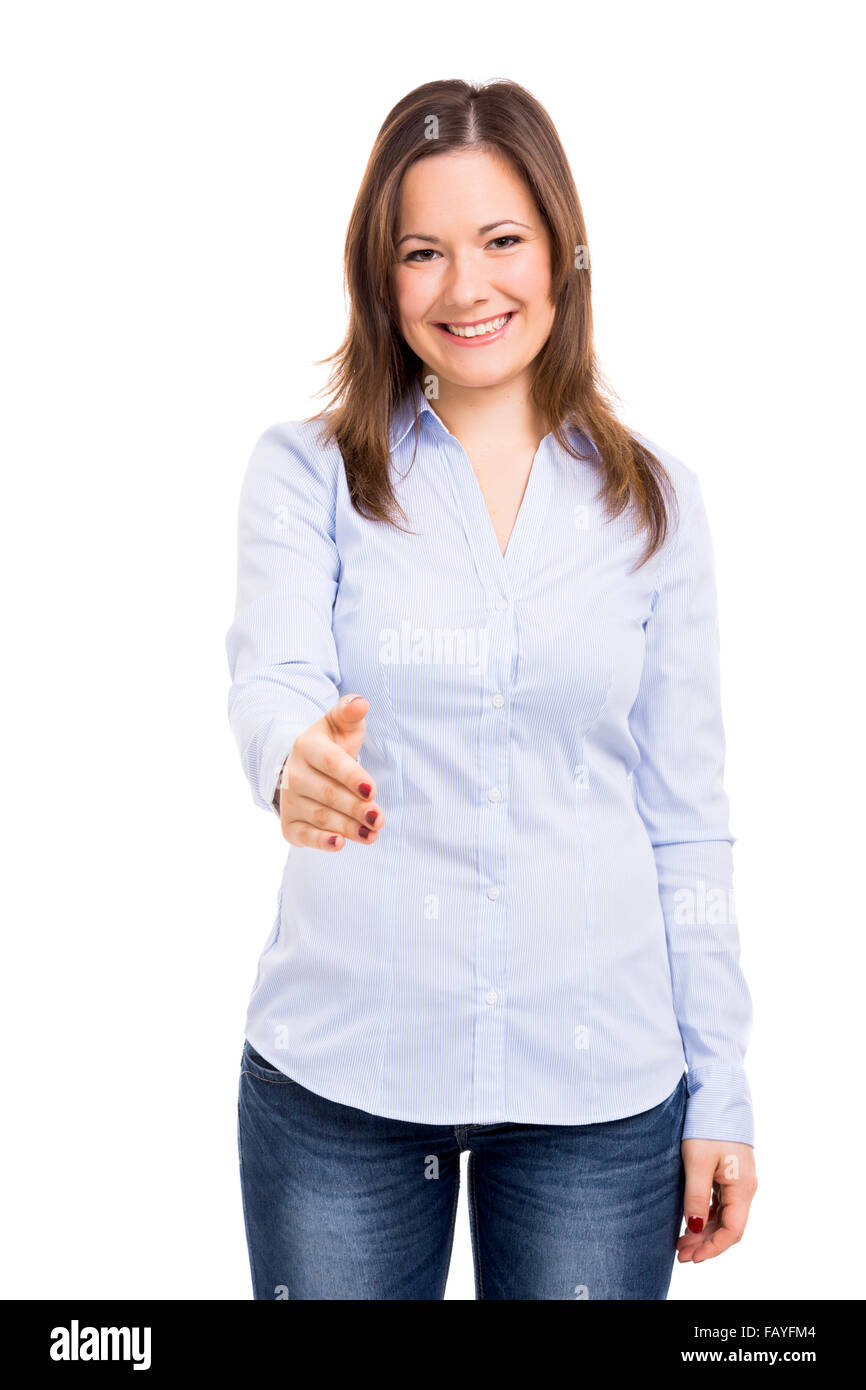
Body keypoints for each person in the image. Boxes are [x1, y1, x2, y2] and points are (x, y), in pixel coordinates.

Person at [226, 77, 757, 1301]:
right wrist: (292, 758)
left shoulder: (654, 505)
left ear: (562, 254)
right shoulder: (303, 475)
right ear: (379, 275)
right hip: (342, 1083)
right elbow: (275, 679)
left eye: (500, 241)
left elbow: (687, 815)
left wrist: (717, 1080)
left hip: (599, 1098)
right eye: (423, 252)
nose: (467, 288)